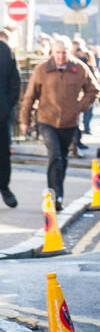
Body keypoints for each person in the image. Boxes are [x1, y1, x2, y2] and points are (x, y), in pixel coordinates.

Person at [18, 35, 99, 211]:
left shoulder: (79, 68)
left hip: (69, 122)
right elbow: (29, 97)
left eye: (64, 52)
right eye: (57, 52)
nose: (61, 56)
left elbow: (94, 90)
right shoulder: (42, 70)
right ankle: (56, 195)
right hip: (46, 120)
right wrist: (25, 121)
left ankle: (57, 191)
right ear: (52, 52)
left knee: (62, 158)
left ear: (68, 52)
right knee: (54, 156)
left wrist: (79, 107)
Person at [0, 28, 22, 207]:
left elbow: (15, 81)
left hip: (0, 115)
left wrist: (6, 105)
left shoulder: (4, 51)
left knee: (3, 156)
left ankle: (4, 188)